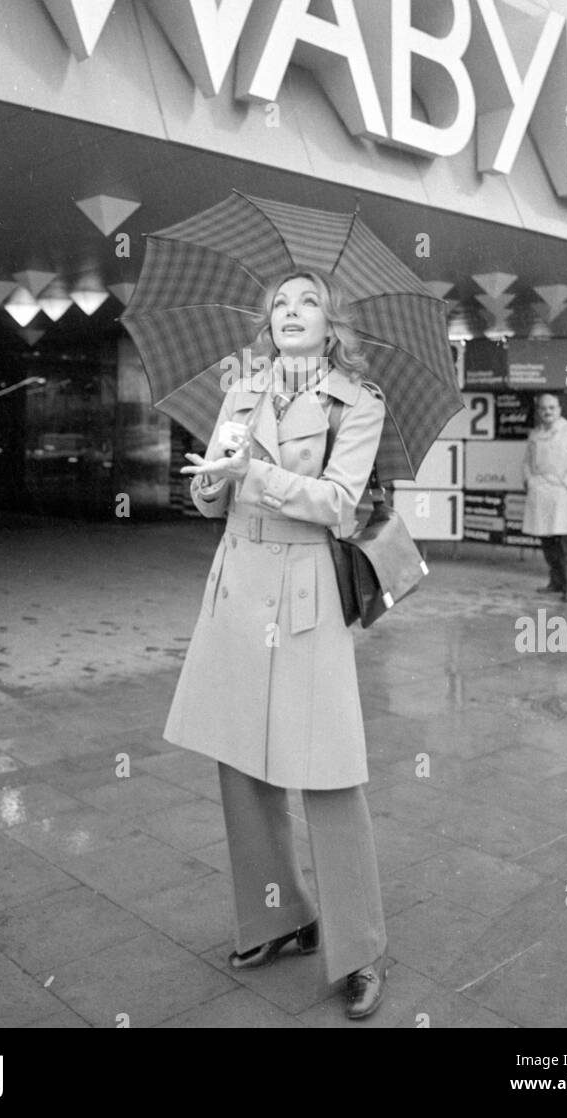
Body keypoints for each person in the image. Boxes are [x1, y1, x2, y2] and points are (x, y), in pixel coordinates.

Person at [164, 269, 389, 1020]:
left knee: (326, 771)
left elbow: (338, 502)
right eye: (279, 303)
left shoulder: (357, 401)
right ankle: (277, 917)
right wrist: (208, 481)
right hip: (237, 584)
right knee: (239, 760)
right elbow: (211, 503)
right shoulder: (242, 389)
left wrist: (252, 470)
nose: (291, 312)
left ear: (331, 323)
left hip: (302, 594)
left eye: (308, 302)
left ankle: (357, 949)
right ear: (267, 322)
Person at [522, 393, 567, 602]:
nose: (547, 412)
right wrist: (530, 481)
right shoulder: (535, 434)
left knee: (564, 543)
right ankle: (555, 582)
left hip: (562, 494)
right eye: (543, 408)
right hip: (540, 493)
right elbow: (527, 462)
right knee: (547, 542)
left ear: (559, 409)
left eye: (552, 407)